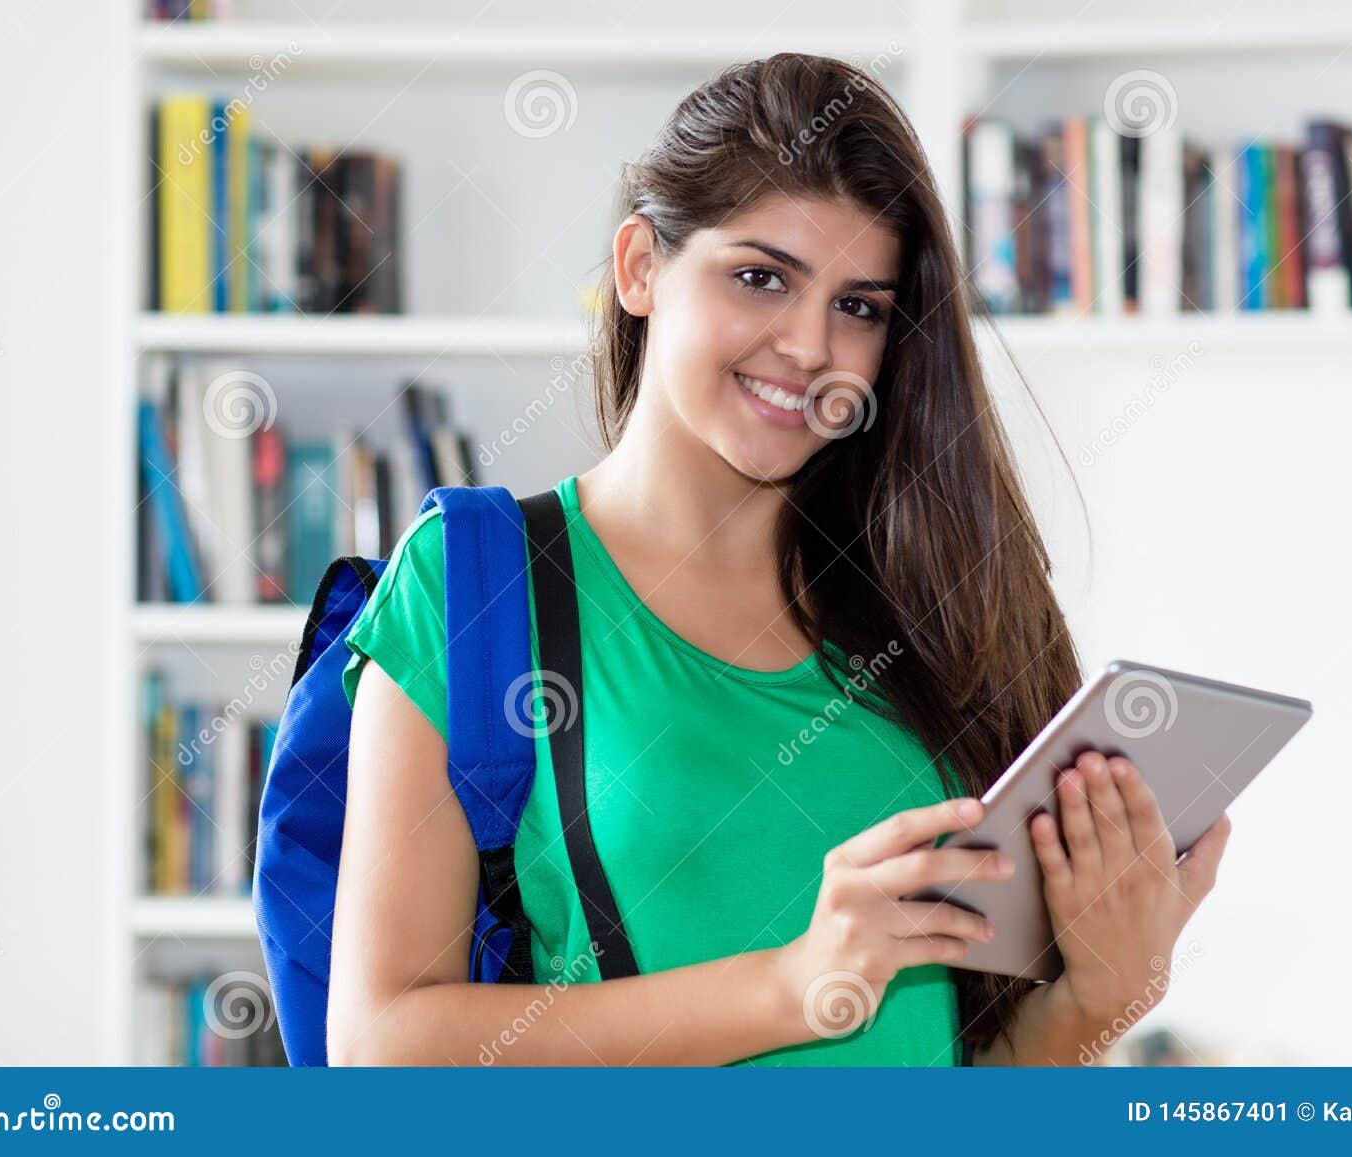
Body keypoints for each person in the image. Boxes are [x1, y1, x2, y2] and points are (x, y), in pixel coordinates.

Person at [326, 52, 1230, 1067]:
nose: (808, 346)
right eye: (760, 277)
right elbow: (379, 1046)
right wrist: (793, 986)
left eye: (860, 306)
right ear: (639, 268)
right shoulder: (476, 578)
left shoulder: (937, 599)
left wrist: (1103, 998)